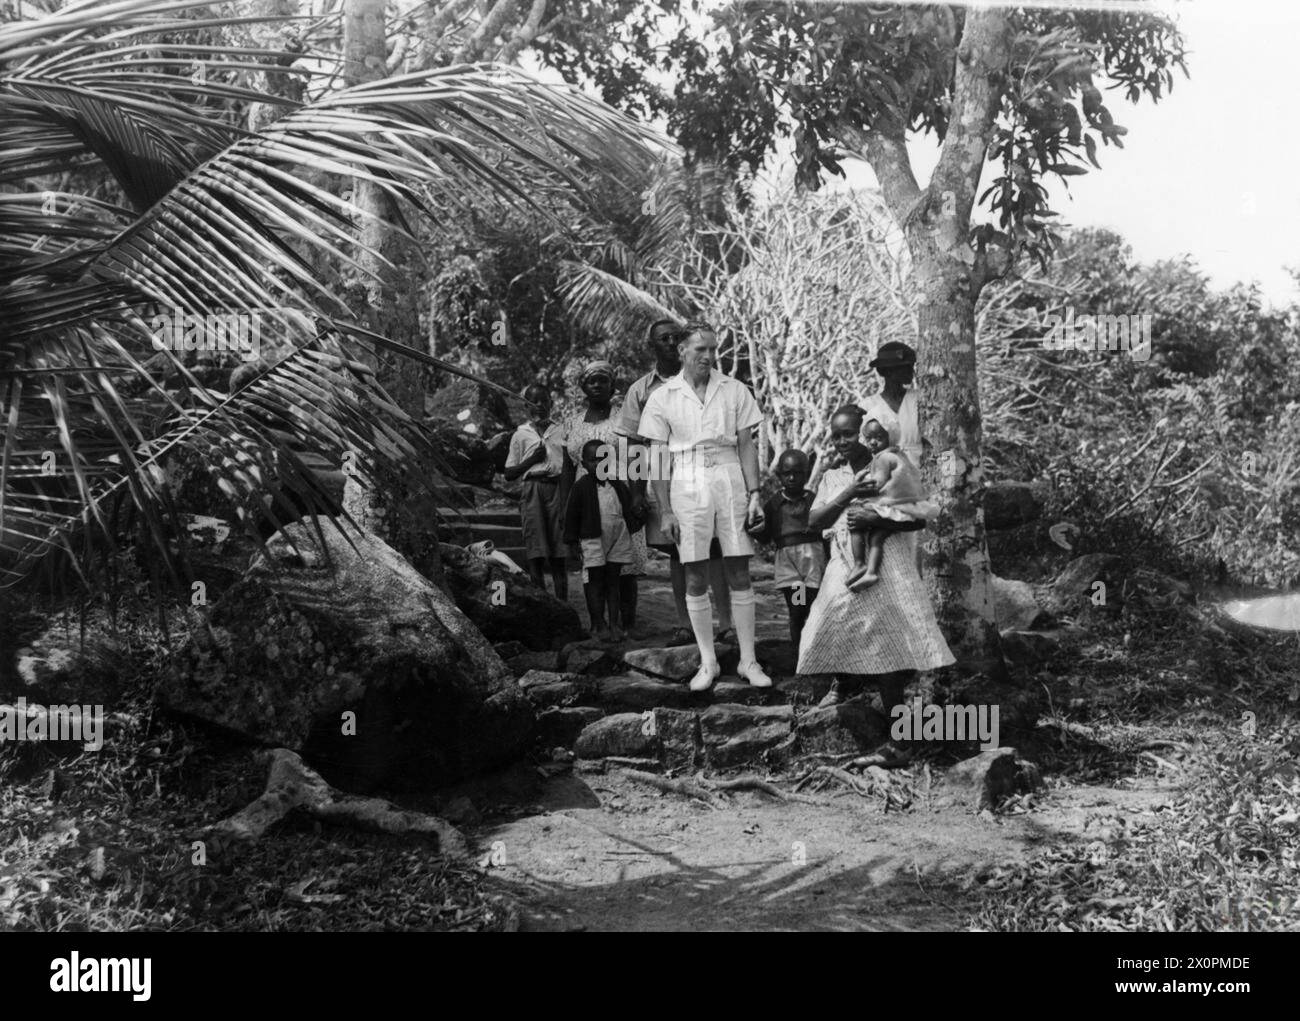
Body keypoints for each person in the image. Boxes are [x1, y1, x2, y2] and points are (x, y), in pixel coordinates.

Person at [638, 320, 771, 692]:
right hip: (686, 478)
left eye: (713, 349)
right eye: (701, 349)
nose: (709, 356)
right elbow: (658, 457)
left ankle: (748, 660)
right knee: (694, 571)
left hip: (728, 476)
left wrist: (755, 493)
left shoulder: (734, 390)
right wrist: (664, 509)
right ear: (682, 351)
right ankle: (708, 662)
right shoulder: (663, 397)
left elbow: (746, 445)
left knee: (738, 569)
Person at [797, 405, 954, 708]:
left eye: (849, 434)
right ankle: (843, 682)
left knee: (889, 634)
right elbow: (814, 521)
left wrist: (877, 521)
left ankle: (895, 721)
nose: (842, 441)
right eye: (836, 436)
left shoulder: (889, 464)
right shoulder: (832, 476)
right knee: (829, 618)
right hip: (843, 559)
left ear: (867, 434)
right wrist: (849, 492)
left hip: (887, 559)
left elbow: (918, 517)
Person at [617, 319, 735, 647]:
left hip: (705, 476)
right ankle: (685, 625)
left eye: (675, 337)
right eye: (663, 339)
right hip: (663, 482)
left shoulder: (710, 382)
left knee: (715, 549)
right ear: (652, 346)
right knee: (677, 552)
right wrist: (637, 493)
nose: (670, 343)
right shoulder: (642, 390)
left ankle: (726, 624)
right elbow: (635, 445)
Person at [560, 360, 648, 634]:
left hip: (621, 493)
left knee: (625, 566)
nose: (597, 385)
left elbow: (638, 456)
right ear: (583, 387)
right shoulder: (572, 423)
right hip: (585, 497)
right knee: (594, 565)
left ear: (612, 385)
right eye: (591, 380)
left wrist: (637, 495)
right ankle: (599, 623)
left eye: (603, 380)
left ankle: (627, 623)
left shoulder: (626, 418)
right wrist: (565, 509)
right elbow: (566, 468)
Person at [845, 418, 939, 591]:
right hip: (903, 506)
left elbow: (877, 485)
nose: (873, 442)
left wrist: (857, 486)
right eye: (869, 438)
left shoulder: (883, 458)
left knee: (855, 516)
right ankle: (872, 571)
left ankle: (859, 563)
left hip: (891, 504)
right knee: (877, 537)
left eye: (879, 437)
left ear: (891, 437)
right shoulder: (899, 455)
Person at [746, 448, 825, 647]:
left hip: (813, 561)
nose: (792, 478)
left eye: (797, 473)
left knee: (814, 607)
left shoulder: (813, 500)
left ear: (806, 475)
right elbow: (765, 536)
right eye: (787, 473)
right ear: (779, 475)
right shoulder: (774, 504)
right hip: (791, 565)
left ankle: (813, 652)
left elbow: (825, 530)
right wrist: (752, 528)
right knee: (798, 608)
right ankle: (798, 655)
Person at [564, 438, 640, 641]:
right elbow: (571, 515)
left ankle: (614, 624)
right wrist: (572, 541)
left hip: (618, 536)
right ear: (583, 464)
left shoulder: (617, 484)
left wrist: (638, 516)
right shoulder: (581, 487)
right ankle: (598, 623)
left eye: (604, 459)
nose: (599, 464)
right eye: (593, 460)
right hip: (592, 537)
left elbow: (629, 508)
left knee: (613, 581)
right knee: (594, 581)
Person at [502, 383, 568, 598]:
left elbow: (569, 465)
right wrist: (532, 460)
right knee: (536, 552)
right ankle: (542, 604)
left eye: (543, 401)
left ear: (551, 403)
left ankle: (563, 606)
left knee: (559, 553)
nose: (538, 406)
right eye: (533, 402)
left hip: (557, 489)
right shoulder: (520, 435)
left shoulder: (561, 431)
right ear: (525, 406)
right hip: (533, 491)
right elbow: (509, 473)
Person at [854, 340, 923, 466]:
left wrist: (949, 479)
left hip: (921, 476)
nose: (911, 372)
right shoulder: (867, 406)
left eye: (911, 366)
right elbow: (861, 451)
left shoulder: (920, 399)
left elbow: (944, 443)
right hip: (886, 478)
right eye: (904, 368)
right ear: (886, 371)